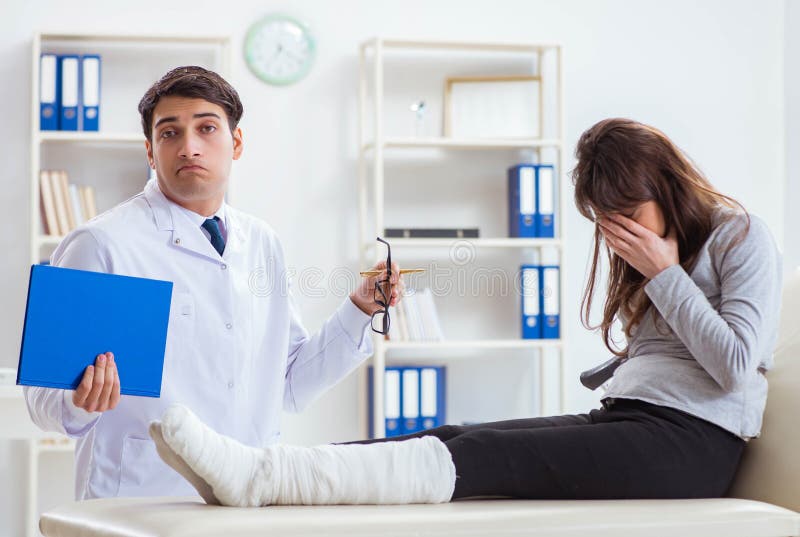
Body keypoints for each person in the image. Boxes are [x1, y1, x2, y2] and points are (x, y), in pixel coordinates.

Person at [148, 118, 782, 507]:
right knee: (456, 434)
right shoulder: (657, 245)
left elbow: (734, 367)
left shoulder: (740, 236)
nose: (619, 238)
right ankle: (264, 471)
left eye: (627, 219)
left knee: (486, 457)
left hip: (693, 445)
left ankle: (262, 480)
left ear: (666, 185)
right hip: (634, 418)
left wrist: (665, 274)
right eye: (606, 226)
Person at [24, 66, 402, 500]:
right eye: (170, 134)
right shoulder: (100, 243)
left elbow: (291, 385)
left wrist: (359, 310)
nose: (189, 147)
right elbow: (42, 398)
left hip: (249, 493)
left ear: (236, 143)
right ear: (150, 152)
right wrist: (79, 401)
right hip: (140, 498)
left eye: (206, 128)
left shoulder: (262, 242)